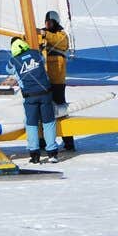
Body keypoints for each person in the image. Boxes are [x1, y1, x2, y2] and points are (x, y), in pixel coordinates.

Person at [9, 37, 57, 164]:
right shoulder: (36, 53)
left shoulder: (13, 61)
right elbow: (43, 59)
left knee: (31, 124)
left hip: (30, 96)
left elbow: (8, 70)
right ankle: (52, 153)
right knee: (49, 122)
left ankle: (34, 154)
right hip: (45, 93)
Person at [41, 10, 75, 152]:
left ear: (55, 22)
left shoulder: (61, 34)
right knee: (42, 111)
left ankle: (68, 141)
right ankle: (41, 141)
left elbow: (62, 43)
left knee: (61, 110)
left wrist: (44, 35)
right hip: (43, 79)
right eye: (46, 22)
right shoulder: (41, 33)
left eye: (50, 22)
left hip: (57, 80)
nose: (48, 24)